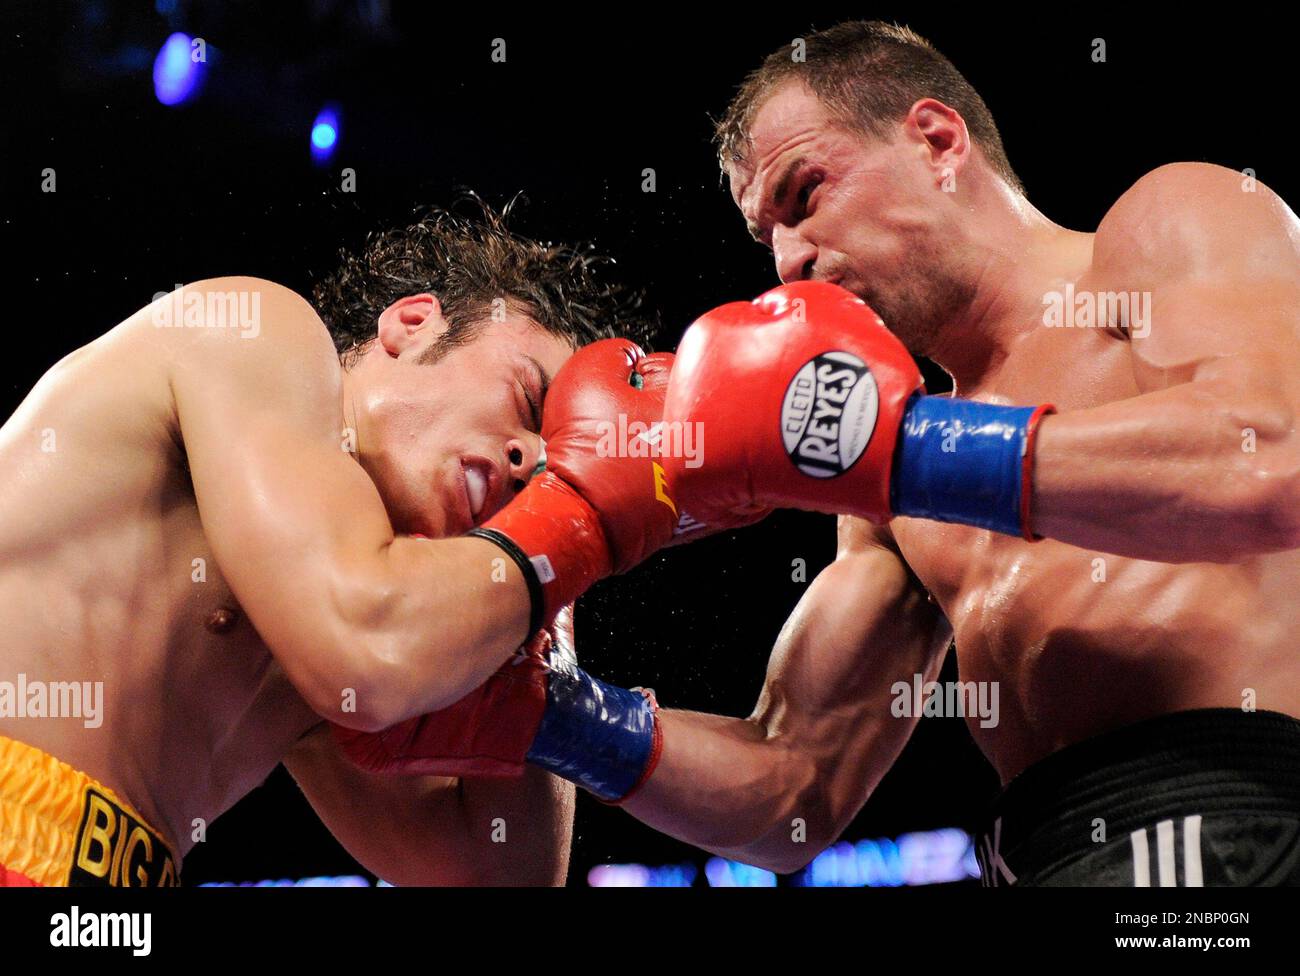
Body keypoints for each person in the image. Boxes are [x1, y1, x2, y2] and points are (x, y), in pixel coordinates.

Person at [358, 23, 1300, 887]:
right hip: (1034, 857)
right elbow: (793, 794)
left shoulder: (1167, 226)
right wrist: (554, 714)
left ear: (936, 142)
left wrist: (899, 451)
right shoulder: (886, 484)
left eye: (805, 195)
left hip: (1250, 815)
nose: (788, 261)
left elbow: (1269, 457)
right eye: (767, 236)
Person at [0, 203, 677, 886]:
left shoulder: (349, 627)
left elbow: (501, 876)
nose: (527, 461)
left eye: (554, 464)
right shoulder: (256, 331)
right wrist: (581, 512)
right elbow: (363, 644)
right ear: (413, 324)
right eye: (530, 402)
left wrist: (551, 598)